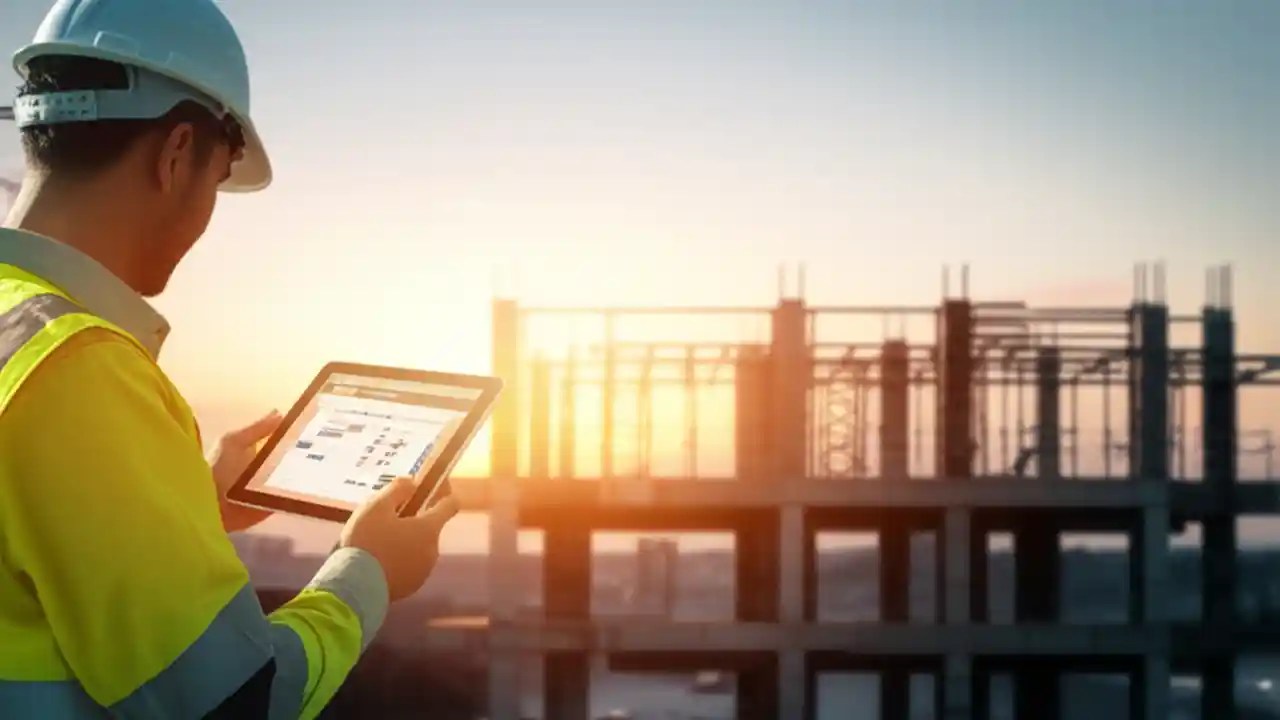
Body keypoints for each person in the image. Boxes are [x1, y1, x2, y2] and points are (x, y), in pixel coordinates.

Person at [0, 0, 458, 717]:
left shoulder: (15, 323)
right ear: (177, 152)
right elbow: (238, 699)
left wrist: (185, 503)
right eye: (216, 181)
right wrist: (368, 572)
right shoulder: (79, 365)